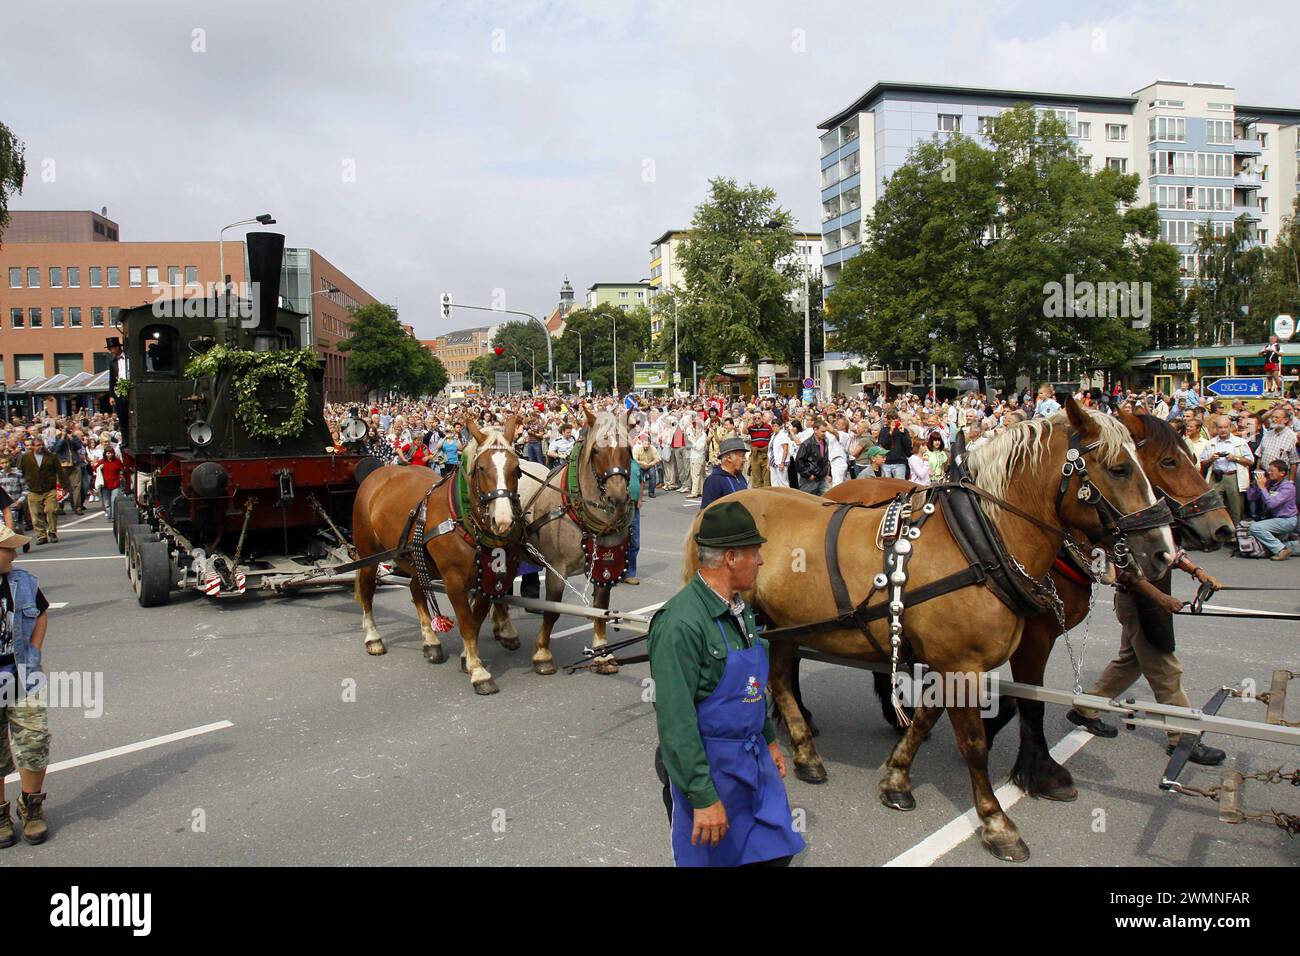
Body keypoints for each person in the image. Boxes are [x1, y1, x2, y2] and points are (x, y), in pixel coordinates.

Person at [648, 501, 804, 867]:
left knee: (775, 853)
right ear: (731, 558)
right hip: (710, 770)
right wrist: (702, 798)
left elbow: (751, 686)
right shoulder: (679, 625)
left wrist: (769, 740)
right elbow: (676, 722)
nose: (762, 561)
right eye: (756, 552)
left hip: (751, 762)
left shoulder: (739, 609)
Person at [1068, 549, 1227, 766]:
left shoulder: (1156, 518)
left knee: (1131, 662)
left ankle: (1087, 706)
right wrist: (1160, 597)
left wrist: (1197, 571)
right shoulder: (1127, 524)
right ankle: (1182, 738)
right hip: (1139, 602)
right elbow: (1123, 571)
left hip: (1150, 600)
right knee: (1165, 669)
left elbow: (1169, 552)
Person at [0, 525, 51, 845]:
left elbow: (42, 612)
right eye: (8, 548)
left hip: (21, 677)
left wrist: (34, 651)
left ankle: (31, 807)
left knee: (35, 741)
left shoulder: (23, 582)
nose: (15, 554)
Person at [1199, 415, 1252, 526]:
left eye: (1225, 427)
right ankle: (1219, 530)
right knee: (1214, 506)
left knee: (1236, 507)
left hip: (1233, 476)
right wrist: (1211, 459)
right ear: (1216, 428)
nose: (1223, 430)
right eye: (1220, 427)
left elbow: (1250, 461)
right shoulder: (1210, 443)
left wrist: (1235, 458)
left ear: (1230, 427)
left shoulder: (1240, 442)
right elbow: (1203, 463)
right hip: (1216, 476)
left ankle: (1237, 531)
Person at [1246, 460, 1297, 560]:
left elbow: (1272, 504)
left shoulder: (1288, 487)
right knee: (1249, 531)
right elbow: (1250, 498)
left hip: (1286, 520)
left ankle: (1281, 549)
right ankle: (1289, 546)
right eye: (1268, 470)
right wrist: (1256, 485)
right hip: (1273, 519)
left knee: (1256, 528)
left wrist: (1262, 488)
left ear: (1282, 473)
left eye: (1272, 471)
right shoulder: (1270, 484)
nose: (1269, 473)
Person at [17, 442, 60, 547]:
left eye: (41, 444)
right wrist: (23, 485)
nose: (40, 447)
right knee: (36, 514)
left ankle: (52, 532)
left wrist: (62, 486)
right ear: (32, 446)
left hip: (49, 488)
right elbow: (20, 471)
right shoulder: (25, 457)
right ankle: (41, 536)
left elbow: (59, 471)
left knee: (51, 510)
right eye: (37, 445)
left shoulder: (51, 456)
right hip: (33, 489)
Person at [700, 437, 749, 510]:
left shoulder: (739, 476)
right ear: (729, 458)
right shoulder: (713, 481)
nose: (745, 459)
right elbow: (707, 513)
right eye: (742, 456)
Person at [794, 419, 831, 496]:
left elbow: (825, 460)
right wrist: (808, 475)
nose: (825, 434)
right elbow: (799, 461)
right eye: (822, 431)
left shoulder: (825, 442)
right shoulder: (807, 444)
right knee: (807, 503)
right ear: (815, 430)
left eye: (825, 431)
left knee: (824, 501)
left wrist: (828, 474)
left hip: (822, 479)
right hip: (809, 481)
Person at [746, 413, 772, 489]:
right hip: (755, 455)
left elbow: (772, 437)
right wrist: (746, 420)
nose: (757, 420)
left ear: (762, 418)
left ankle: (767, 496)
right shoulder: (752, 428)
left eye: (758, 418)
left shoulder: (768, 427)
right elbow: (744, 431)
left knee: (767, 478)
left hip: (765, 454)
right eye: (755, 418)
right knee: (756, 478)